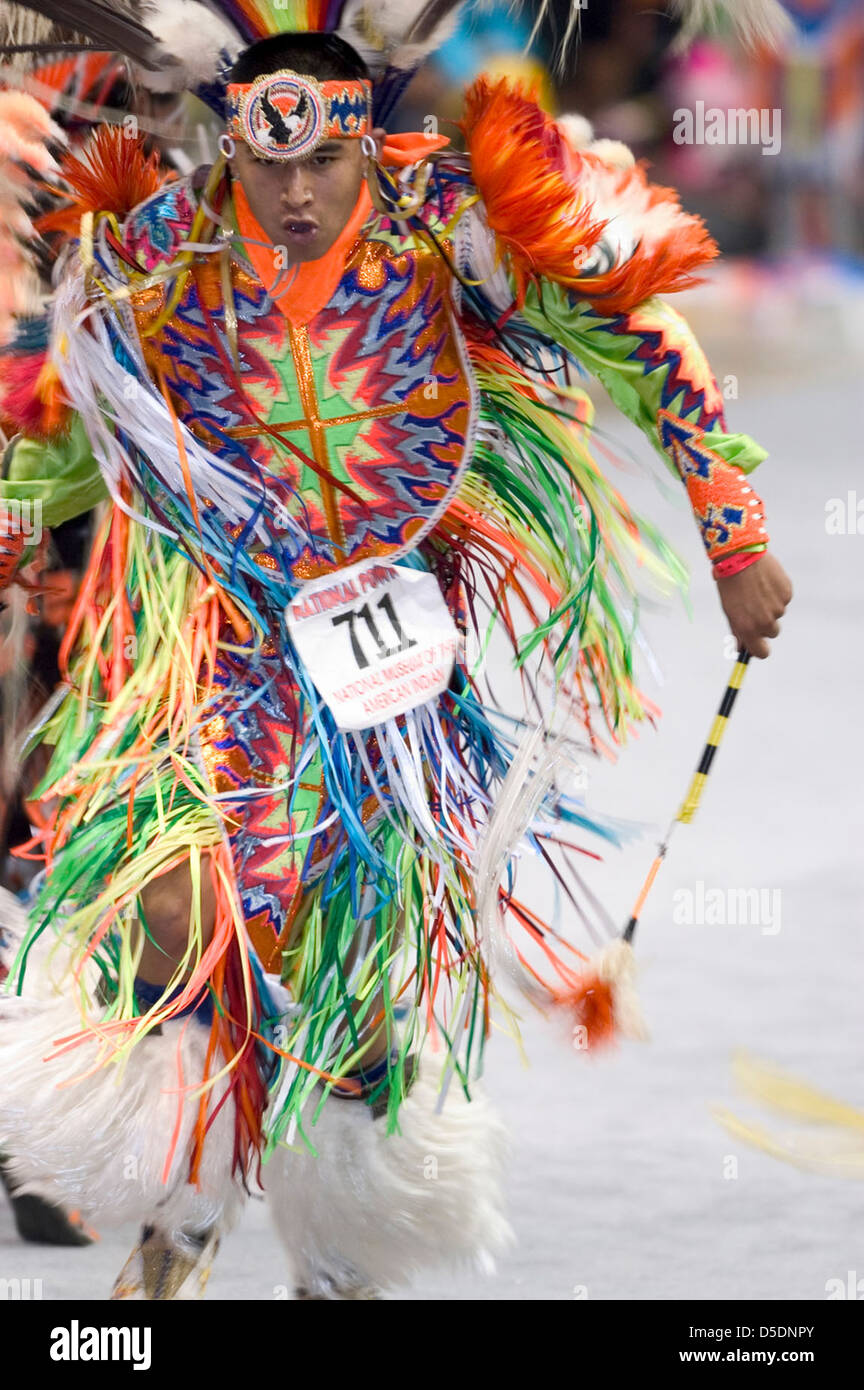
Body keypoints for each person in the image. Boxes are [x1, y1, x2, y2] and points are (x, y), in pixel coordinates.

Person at [0, 0, 792, 1299]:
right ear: (229, 143)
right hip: (219, 647)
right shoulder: (160, 255)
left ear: (368, 134)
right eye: (272, 165)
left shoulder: (457, 227)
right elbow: (68, 409)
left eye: (326, 163)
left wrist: (733, 529)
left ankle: (345, 1251)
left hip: (393, 682)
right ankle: (181, 1207)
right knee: (175, 910)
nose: (300, 193)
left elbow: (636, 320)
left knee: (355, 976)